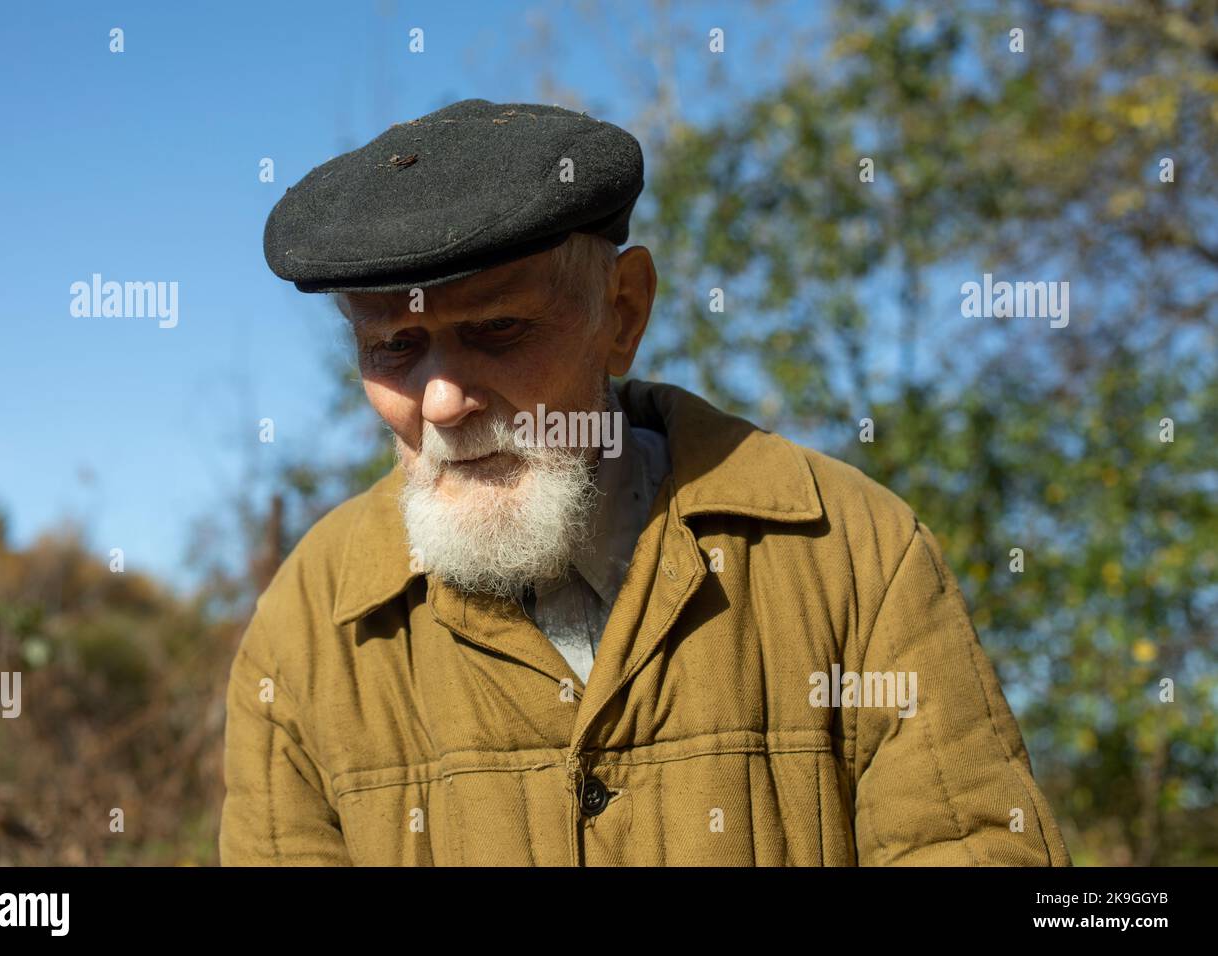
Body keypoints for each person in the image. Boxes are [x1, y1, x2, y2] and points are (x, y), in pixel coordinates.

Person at [219, 98, 1070, 866]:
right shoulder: (309, 627)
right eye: (394, 349)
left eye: (500, 329)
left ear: (622, 313)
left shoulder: (851, 553)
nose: (442, 400)